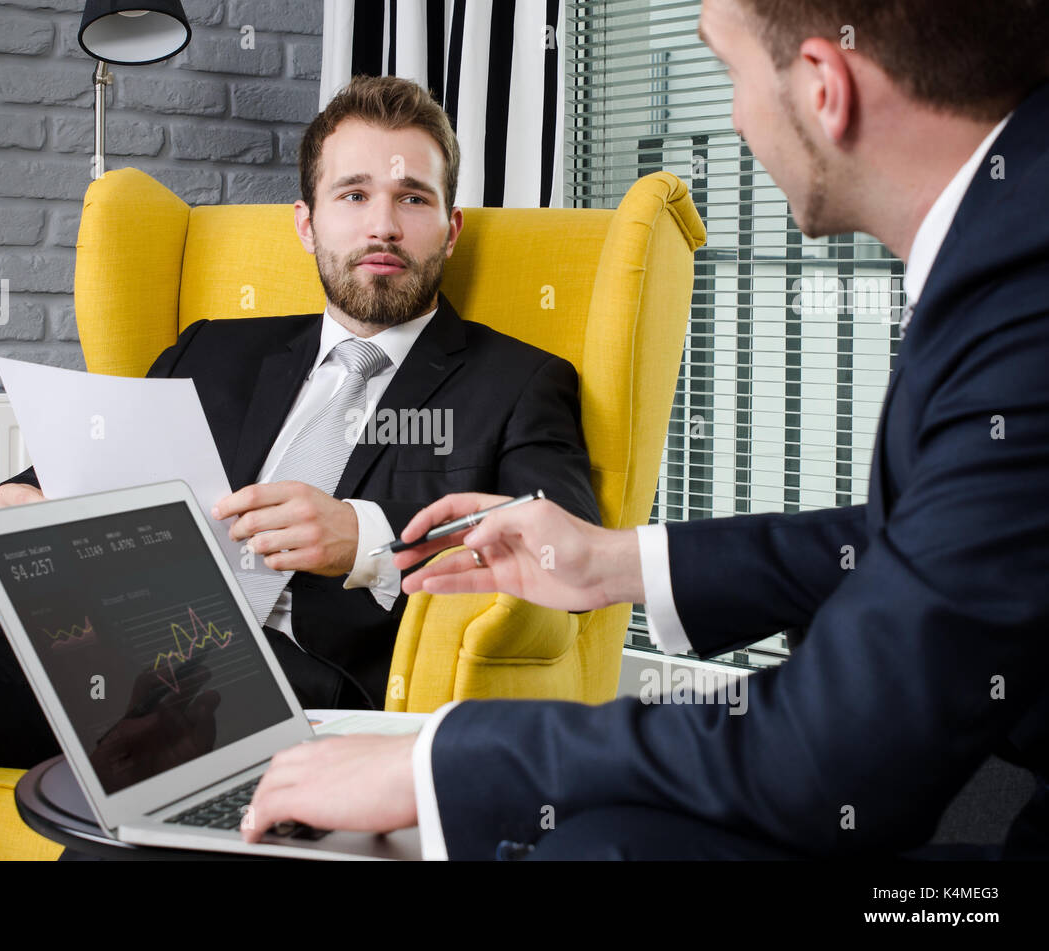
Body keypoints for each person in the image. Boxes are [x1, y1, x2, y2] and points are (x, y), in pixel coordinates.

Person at [241, 0, 1049, 860]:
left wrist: (435, 763)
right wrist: (618, 562)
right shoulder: (1010, 235)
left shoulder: (1020, 292)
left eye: (731, 75)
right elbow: (919, 540)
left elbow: (831, 757)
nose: (735, 120)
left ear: (825, 87)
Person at [0, 75, 600, 859]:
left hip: (282, 689)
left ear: (448, 229)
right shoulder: (213, 352)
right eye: (353, 194)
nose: (382, 224)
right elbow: (57, 477)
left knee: (143, 791)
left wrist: (368, 542)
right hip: (99, 653)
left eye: (411, 197)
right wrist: (13, 512)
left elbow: (568, 547)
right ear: (307, 223)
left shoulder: (516, 380)